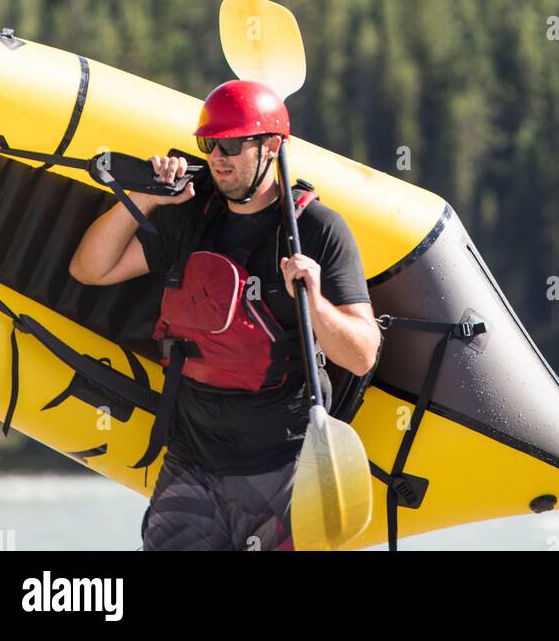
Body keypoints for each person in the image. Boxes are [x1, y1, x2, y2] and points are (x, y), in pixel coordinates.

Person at [69, 79, 380, 552]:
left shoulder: (317, 231)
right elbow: (90, 270)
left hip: (286, 470)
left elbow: (361, 355)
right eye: (209, 144)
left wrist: (314, 299)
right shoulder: (192, 217)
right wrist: (146, 199)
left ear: (271, 146)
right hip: (192, 464)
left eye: (232, 145)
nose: (218, 156)